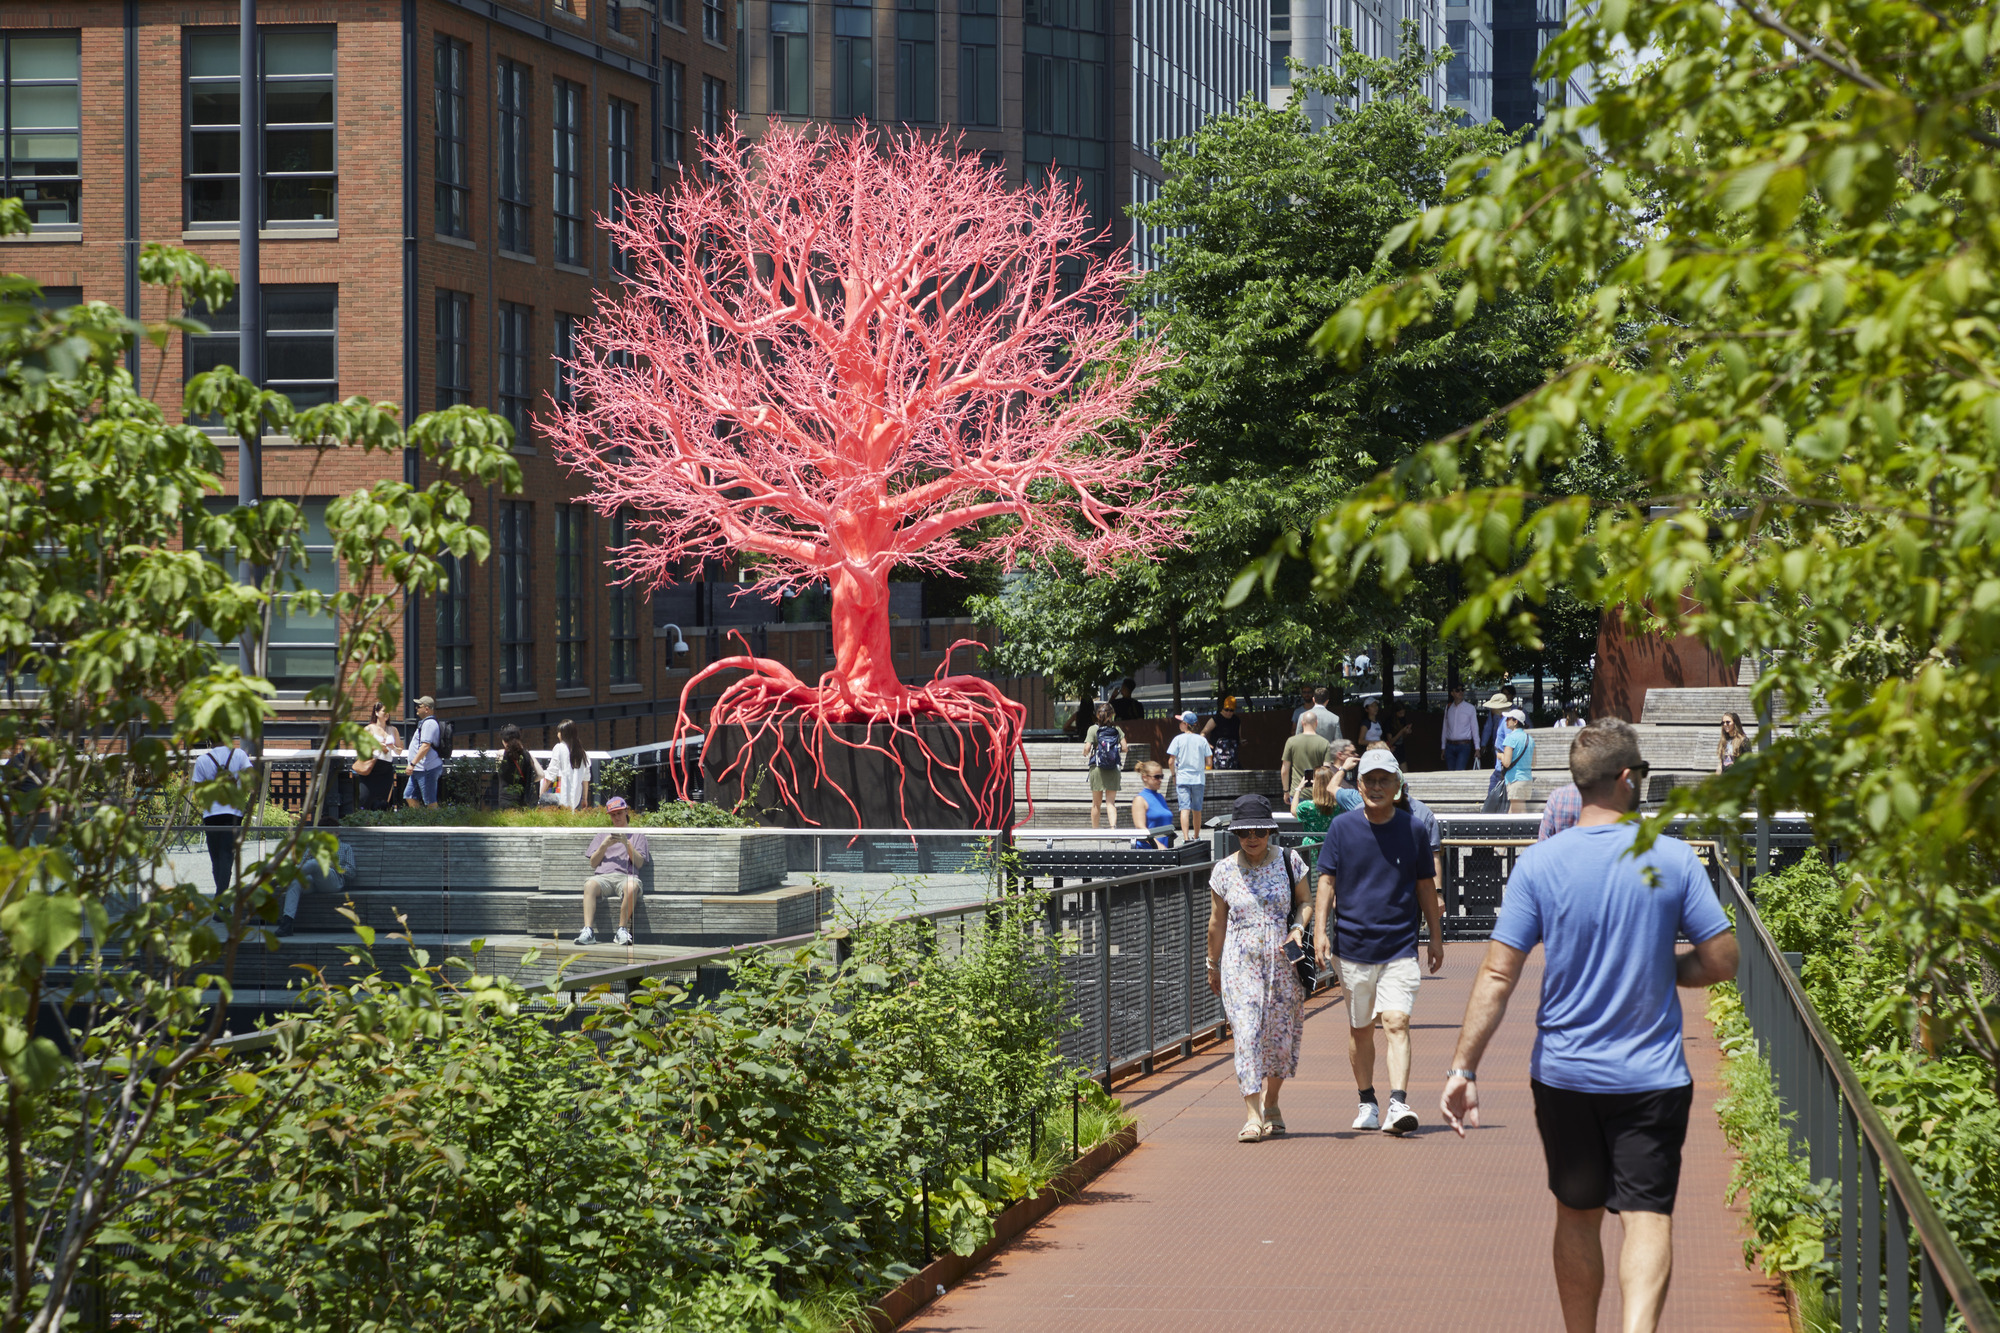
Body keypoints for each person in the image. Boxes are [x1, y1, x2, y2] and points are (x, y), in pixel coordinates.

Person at [1439, 718, 1739, 1333]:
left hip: (1566, 1076)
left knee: (1576, 1214)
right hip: (1651, 1076)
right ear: (1627, 779)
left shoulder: (1539, 865)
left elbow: (1497, 975)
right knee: (1648, 1216)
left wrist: (1463, 1067)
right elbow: (1722, 959)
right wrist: (1663, 967)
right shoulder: (1670, 856)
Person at [1314, 749, 1444, 1136]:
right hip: (1352, 946)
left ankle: (1398, 1102)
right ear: (1359, 784)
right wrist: (1320, 931)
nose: (1375, 786)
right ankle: (1367, 1100)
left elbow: (1425, 884)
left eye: (1383, 779)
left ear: (1397, 784)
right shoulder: (1342, 828)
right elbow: (1326, 881)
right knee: (1361, 1029)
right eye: (1368, 779)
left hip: (1400, 945)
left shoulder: (1414, 828)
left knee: (1396, 1021)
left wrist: (1435, 938)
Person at [1205, 794, 1313, 1142]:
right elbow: (1216, 922)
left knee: (1280, 1039)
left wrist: (1298, 927)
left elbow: (1305, 902)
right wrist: (1212, 963)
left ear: (1270, 831)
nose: (1252, 838)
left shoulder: (1289, 860)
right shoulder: (1223, 870)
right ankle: (1252, 1115)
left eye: (1259, 831)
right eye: (1243, 832)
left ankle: (1272, 1102)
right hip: (1241, 961)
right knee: (1248, 1034)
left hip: (1283, 961)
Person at [574, 796, 651, 946]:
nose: (617, 818)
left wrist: (626, 843)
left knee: (632, 887)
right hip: (604, 877)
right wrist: (604, 845)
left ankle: (621, 930)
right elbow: (593, 863)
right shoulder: (603, 834)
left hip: (626, 877)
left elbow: (639, 863)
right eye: (613, 815)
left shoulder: (637, 835)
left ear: (626, 811)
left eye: (619, 813)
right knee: (589, 885)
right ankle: (588, 931)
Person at [191, 735, 254, 896]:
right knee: (227, 856)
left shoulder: (202, 760)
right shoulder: (239, 755)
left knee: (216, 858)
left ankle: (221, 900)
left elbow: (198, 792)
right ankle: (221, 901)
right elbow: (252, 778)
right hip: (234, 813)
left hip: (211, 814)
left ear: (209, 740)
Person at [276, 834, 355, 937]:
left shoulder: (345, 847)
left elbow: (352, 873)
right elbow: (302, 865)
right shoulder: (312, 847)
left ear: (337, 833)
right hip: (313, 881)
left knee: (316, 862)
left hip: (333, 882)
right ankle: (287, 923)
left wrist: (334, 866)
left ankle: (283, 878)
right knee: (296, 882)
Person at [1165, 710, 1213, 842]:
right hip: (1198, 779)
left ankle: (1186, 838)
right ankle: (1196, 836)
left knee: (1184, 808)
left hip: (1182, 778)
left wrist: (1174, 775)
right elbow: (1209, 761)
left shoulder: (1178, 739)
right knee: (1197, 809)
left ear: (1185, 724)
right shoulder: (1202, 740)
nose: (1179, 724)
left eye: (1181, 722)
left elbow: (1170, 761)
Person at [350, 702, 401, 812]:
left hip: (386, 768)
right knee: (366, 798)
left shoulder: (393, 729)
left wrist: (393, 748)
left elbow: (399, 751)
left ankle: (382, 824)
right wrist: (377, 747)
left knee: (384, 801)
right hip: (372, 767)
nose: (387, 714)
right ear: (377, 713)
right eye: (384, 711)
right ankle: (364, 823)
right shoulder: (369, 729)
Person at [1083, 702, 1126, 829]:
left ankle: (1095, 832)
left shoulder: (1093, 729)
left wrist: (1086, 753)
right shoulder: (1116, 730)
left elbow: (1086, 748)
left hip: (1097, 768)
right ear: (1112, 715)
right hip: (1113, 768)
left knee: (1096, 803)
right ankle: (1113, 829)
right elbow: (1125, 747)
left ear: (1097, 715)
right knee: (1110, 802)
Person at [541, 718, 592, 810]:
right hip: (575, 799)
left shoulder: (559, 748)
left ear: (562, 734)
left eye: (558, 732)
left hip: (559, 797)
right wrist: (584, 799)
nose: (557, 734)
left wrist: (541, 793)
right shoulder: (583, 753)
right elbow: (586, 779)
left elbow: (551, 773)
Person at [1280, 711, 1331, 802]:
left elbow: (1285, 770)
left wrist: (1286, 791)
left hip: (1297, 792)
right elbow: (1327, 770)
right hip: (1318, 793)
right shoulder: (1325, 743)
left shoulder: (1291, 741)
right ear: (1316, 723)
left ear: (1302, 723)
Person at [404, 696, 445, 808]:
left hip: (426, 769)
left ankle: (436, 823)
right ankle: (420, 821)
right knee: (409, 795)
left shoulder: (429, 724)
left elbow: (425, 746)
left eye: (418, 706)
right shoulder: (425, 723)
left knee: (430, 801)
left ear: (427, 709)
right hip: (419, 769)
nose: (416, 708)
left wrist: (412, 764)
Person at [1130, 760, 1177, 848]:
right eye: (1156, 777)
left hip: (1164, 851)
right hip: (1148, 853)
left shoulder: (1161, 797)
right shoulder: (1140, 800)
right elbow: (1141, 828)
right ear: (1145, 777)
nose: (1160, 780)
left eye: (1161, 776)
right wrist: (1159, 846)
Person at [1291, 763, 1339, 849]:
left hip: (1310, 850)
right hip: (1332, 848)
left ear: (1315, 784)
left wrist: (1298, 789)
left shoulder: (1307, 807)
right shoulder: (1340, 806)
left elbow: (1294, 811)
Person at [497, 723, 542, 810]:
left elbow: (498, 770)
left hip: (505, 800)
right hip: (522, 800)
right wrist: (530, 780)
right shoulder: (527, 754)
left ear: (504, 740)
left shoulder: (500, 754)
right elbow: (541, 774)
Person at [1502, 708, 1537, 814]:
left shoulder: (1510, 738)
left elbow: (1506, 762)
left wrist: (1500, 756)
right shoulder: (1530, 739)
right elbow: (1533, 763)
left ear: (1515, 721)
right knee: (1517, 810)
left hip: (1515, 780)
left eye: (1508, 719)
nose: (1506, 721)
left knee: (1517, 813)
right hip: (1527, 779)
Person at [1441, 686, 1479, 771]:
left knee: (1459, 771)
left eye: (1462, 690)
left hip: (1464, 745)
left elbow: (1474, 728)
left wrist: (1477, 748)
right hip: (1450, 745)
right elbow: (1445, 728)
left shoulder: (1470, 708)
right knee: (1450, 772)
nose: (1461, 692)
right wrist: (1443, 747)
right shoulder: (1448, 708)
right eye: (1457, 690)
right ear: (1452, 693)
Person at [1202, 696, 1243, 770]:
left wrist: (1242, 741)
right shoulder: (1216, 719)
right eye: (1226, 710)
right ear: (1223, 708)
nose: (1228, 712)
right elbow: (1203, 733)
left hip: (1232, 760)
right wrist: (1207, 743)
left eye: (1231, 710)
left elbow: (1239, 738)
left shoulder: (1237, 720)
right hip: (1217, 758)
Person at [1330, 742, 1364, 812]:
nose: (1356, 755)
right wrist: (1344, 768)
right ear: (1340, 755)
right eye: (1352, 753)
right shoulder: (1329, 773)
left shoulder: (1353, 770)